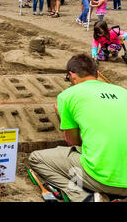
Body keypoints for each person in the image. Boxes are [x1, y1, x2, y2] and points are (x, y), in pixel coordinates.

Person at [29, 54, 127, 202]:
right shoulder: (122, 92)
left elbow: (73, 142)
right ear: (97, 74)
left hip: (103, 179)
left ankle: (84, 197)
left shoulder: (67, 96)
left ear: (72, 75)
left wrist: (63, 115)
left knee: (36, 158)